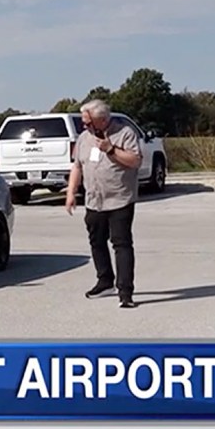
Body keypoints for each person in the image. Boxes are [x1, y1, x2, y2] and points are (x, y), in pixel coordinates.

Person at [65, 99, 144, 308]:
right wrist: (71, 192)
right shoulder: (83, 138)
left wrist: (111, 149)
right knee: (96, 242)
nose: (85, 126)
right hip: (94, 201)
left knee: (121, 244)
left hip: (120, 199)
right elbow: (77, 167)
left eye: (87, 122)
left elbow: (135, 161)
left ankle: (125, 292)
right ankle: (105, 280)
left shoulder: (125, 133)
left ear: (102, 119)